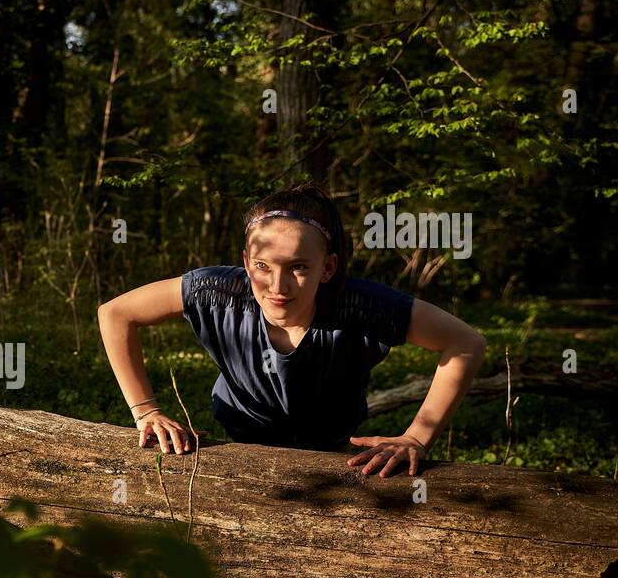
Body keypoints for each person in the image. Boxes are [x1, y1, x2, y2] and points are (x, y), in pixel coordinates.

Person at [96, 182, 488, 478]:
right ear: (246, 261)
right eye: (264, 266)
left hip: (333, 456)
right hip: (236, 450)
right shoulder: (214, 290)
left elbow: (464, 342)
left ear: (328, 268)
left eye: (299, 267)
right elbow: (115, 314)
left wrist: (417, 436)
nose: (278, 287)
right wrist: (146, 411)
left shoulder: (362, 306)